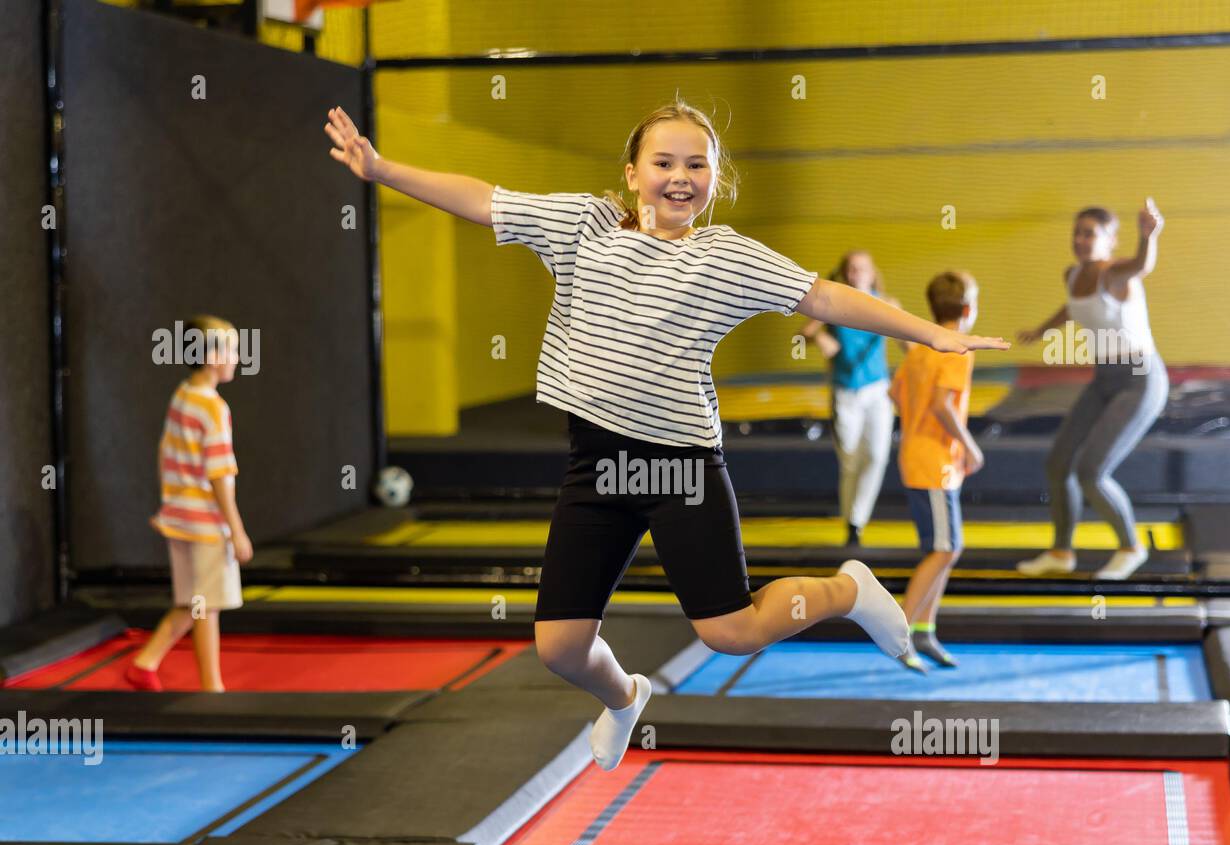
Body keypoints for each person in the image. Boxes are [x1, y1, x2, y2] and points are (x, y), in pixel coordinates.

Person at [325, 97, 1009, 770]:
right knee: (560, 647)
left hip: (681, 466)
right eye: (664, 161)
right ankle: (624, 697)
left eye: (697, 164)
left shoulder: (724, 257)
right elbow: (484, 200)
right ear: (631, 172)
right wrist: (382, 169)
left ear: (714, 180)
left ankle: (848, 590)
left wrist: (933, 333)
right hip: (595, 468)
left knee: (730, 632)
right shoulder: (584, 225)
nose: (680, 176)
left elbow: (825, 298)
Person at [1016, 200, 1169, 581]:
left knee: (1092, 472)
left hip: (1140, 378)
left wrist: (1147, 237)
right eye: (1077, 233)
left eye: (1091, 234)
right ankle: (1061, 552)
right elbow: (1072, 307)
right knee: (1058, 463)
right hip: (1104, 379)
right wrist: (1041, 331)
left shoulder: (1116, 274)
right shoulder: (1072, 274)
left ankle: (1131, 546)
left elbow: (1141, 265)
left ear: (1110, 241)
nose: (1081, 240)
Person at [125, 316, 253, 693]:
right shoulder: (213, 408)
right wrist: (236, 529)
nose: (237, 357)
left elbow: (167, 454)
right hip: (204, 523)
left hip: (180, 517)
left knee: (194, 599)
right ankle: (212, 687)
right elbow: (219, 475)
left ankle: (145, 661)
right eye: (231, 350)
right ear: (213, 356)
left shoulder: (182, 395)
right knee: (207, 604)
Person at [890, 272, 984, 671]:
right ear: (967, 310)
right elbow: (943, 406)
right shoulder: (956, 349)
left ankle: (924, 630)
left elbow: (896, 394)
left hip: (919, 456)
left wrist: (918, 429)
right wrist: (969, 446)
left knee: (941, 548)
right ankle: (901, 632)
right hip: (935, 464)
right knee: (946, 548)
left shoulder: (921, 348)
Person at [800, 250, 900, 546]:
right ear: (845, 273)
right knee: (851, 461)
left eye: (862, 270)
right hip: (845, 392)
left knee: (877, 456)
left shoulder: (887, 304)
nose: (857, 275)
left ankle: (857, 521)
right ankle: (851, 522)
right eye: (852, 270)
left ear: (872, 273)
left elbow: (909, 342)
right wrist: (819, 337)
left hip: (878, 391)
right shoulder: (833, 303)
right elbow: (803, 334)